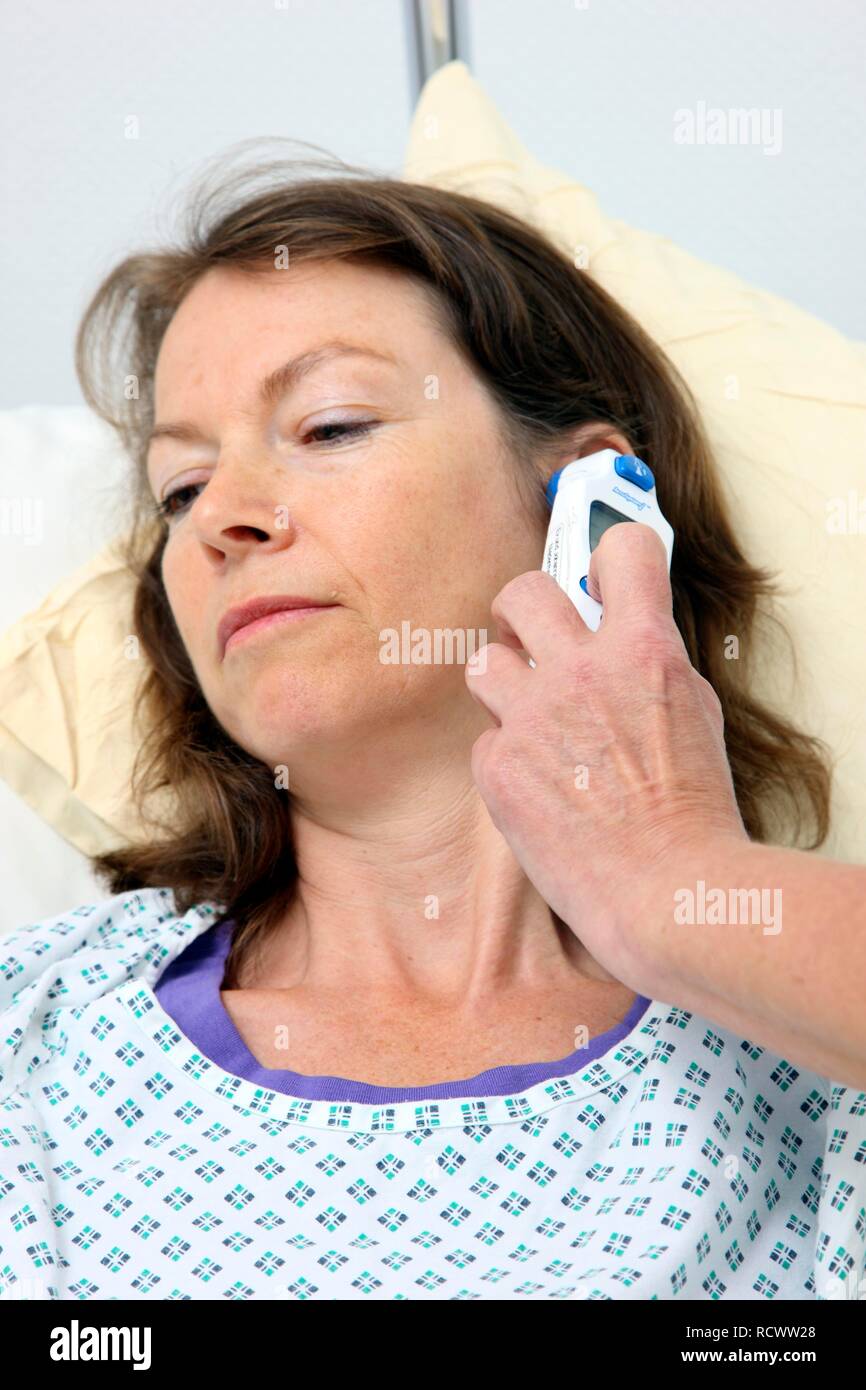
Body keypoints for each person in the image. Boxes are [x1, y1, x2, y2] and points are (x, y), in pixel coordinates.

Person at [0, 152, 862, 1302]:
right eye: (181, 488)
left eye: (331, 424)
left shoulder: (807, 1052)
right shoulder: (35, 1037)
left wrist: (674, 885)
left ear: (588, 513)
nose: (225, 523)